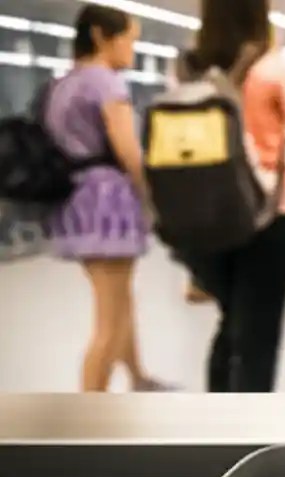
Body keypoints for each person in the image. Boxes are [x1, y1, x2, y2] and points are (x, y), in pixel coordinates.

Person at [181, 0, 285, 392]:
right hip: (272, 215)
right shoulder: (276, 69)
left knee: (230, 322)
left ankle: (215, 425)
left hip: (209, 217)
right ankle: (248, 435)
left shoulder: (188, 70)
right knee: (259, 335)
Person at [43, 4, 171, 392]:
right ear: (101, 36)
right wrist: (154, 197)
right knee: (109, 319)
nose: (133, 49)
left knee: (118, 299)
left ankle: (138, 377)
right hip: (107, 203)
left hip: (76, 199)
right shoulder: (106, 82)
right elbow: (129, 152)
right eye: (129, 39)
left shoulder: (64, 83)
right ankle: (90, 410)